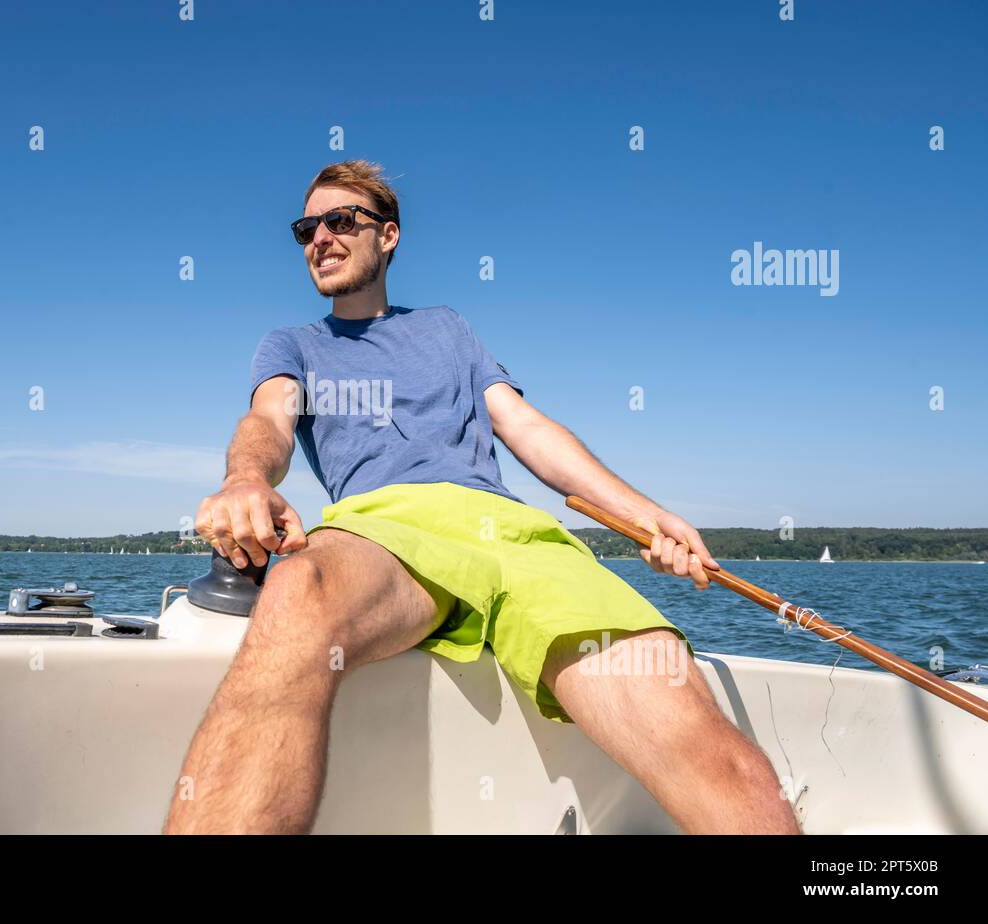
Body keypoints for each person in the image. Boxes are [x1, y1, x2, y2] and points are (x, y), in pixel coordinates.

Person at [163, 160, 799, 834]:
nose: (318, 237)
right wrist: (246, 479)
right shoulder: (294, 344)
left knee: (722, 761)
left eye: (340, 220)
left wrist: (648, 518)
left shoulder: (450, 329)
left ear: (389, 236)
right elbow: (268, 420)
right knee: (297, 592)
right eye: (305, 228)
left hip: (519, 538)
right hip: (387, 531)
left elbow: (526, 427)